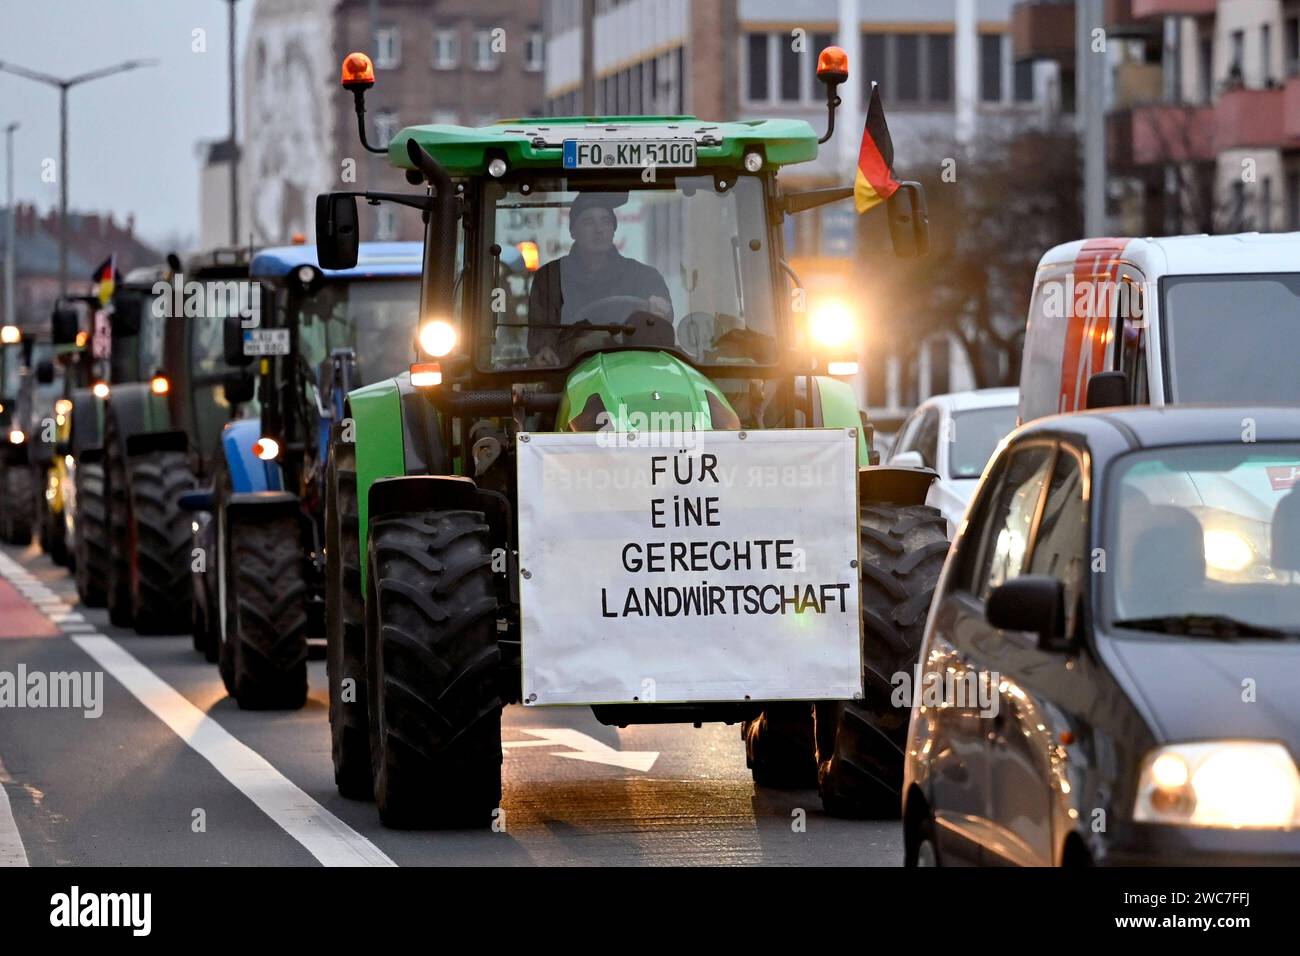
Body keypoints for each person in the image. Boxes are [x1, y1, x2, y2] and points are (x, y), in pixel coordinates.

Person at [527, 192, 673, 362]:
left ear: (613, 230)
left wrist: (661, 308)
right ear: (573, 231)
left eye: (606, 221)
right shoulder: (549, 277)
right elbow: (540, 334)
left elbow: (662, 316)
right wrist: (545, 350)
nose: (599, 229)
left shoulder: (644, 276)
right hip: (569, 371)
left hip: (631, 365)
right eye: (588, 222)